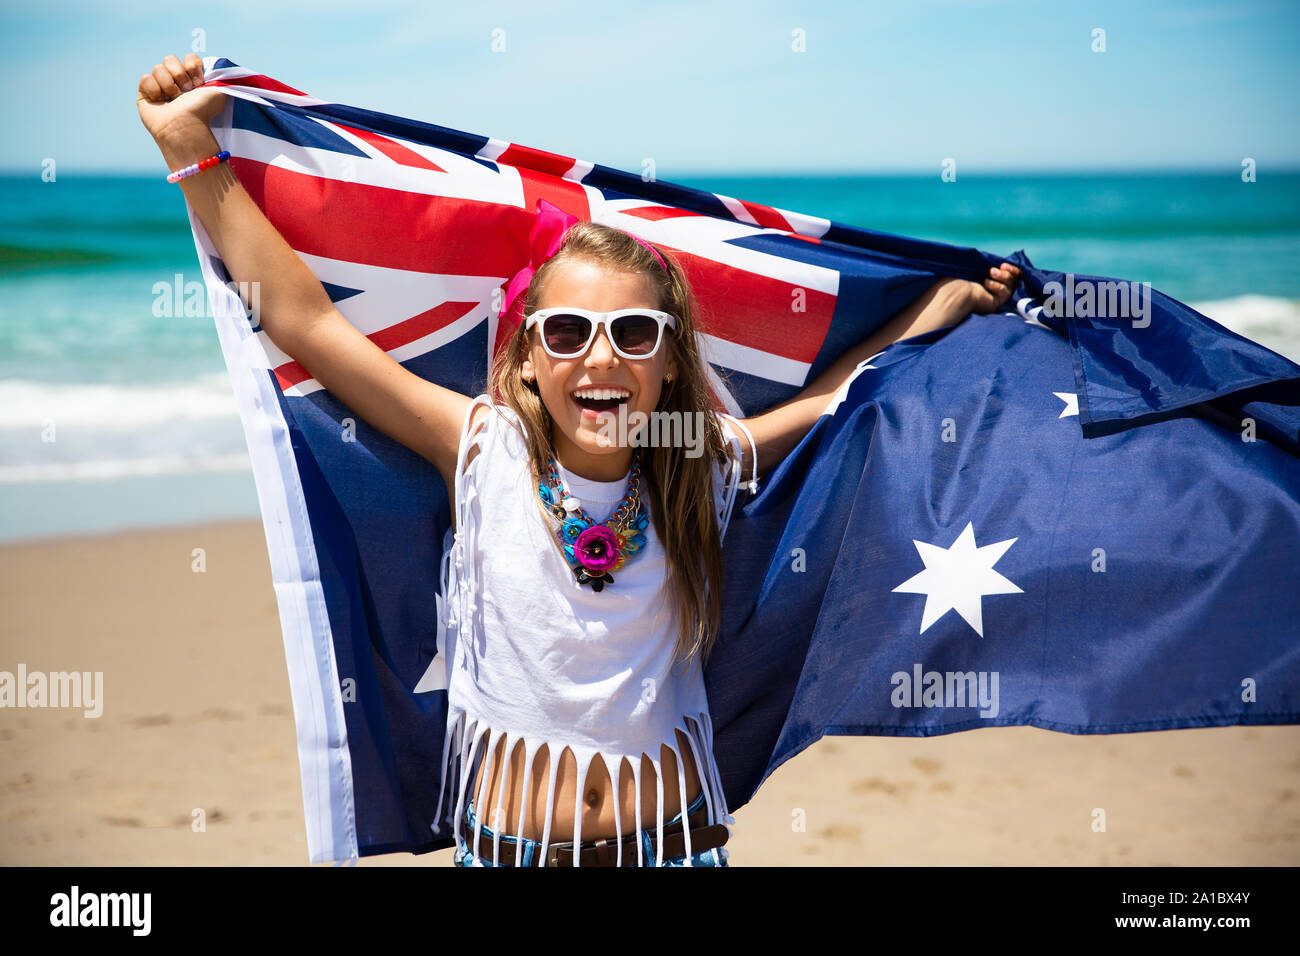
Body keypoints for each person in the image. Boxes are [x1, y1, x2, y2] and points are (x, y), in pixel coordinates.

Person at [138, 52, 1022, 866]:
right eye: (569, 333)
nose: (601, 360)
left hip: (678, 847)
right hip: (505, 850)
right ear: (527, 353)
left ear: (671, 360)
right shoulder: (482, 448)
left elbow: (835, 398)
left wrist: (947, 300)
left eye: (635, 334)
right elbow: (307, 322)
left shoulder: (694, 465)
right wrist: (192, 156)